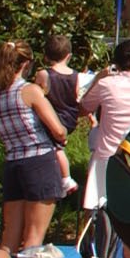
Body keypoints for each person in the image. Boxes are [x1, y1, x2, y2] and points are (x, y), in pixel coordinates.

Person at [0, 39, 69, 252]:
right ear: (25, 64)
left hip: (13, 162)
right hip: (39, 159)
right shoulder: (29, 90)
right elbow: (58, 129)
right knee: (33, 238)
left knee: (9, 236)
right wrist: (63, 134)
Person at [78, 41, 130, 216]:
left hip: (108, 158)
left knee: (97, 213)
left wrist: (98, 78)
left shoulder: (105, 84)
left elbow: (84, 108)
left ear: (115, 63)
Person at [38, 33, 82, 198]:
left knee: (56, 149)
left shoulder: (44, 74)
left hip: (53, 119)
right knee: (57, 147)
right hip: (70, 118)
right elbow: (77, 97)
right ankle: (60, 178)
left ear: (46, 55)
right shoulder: (76, 75)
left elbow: (38, 94)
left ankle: (66, 178)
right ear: (69, 56)